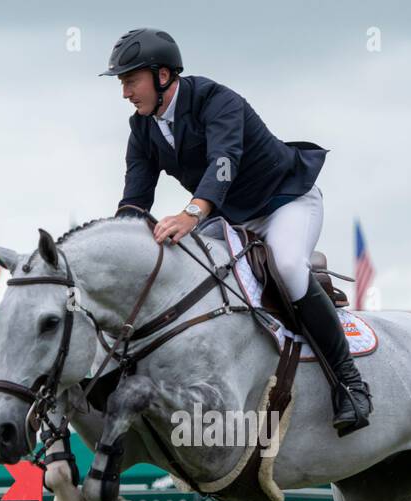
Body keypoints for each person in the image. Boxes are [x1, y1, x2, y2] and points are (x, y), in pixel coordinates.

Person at [103, 27, 372, 436]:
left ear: (162, 76)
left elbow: (223, 163)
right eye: (122, 83)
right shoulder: (142, 128)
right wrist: (115, 248)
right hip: (228, 218)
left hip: (285, 201)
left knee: (286, 266)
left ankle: (349, 383)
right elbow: (135, 199)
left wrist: (191, 213)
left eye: (130, 80)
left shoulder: (216, 100)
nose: (125, 92)